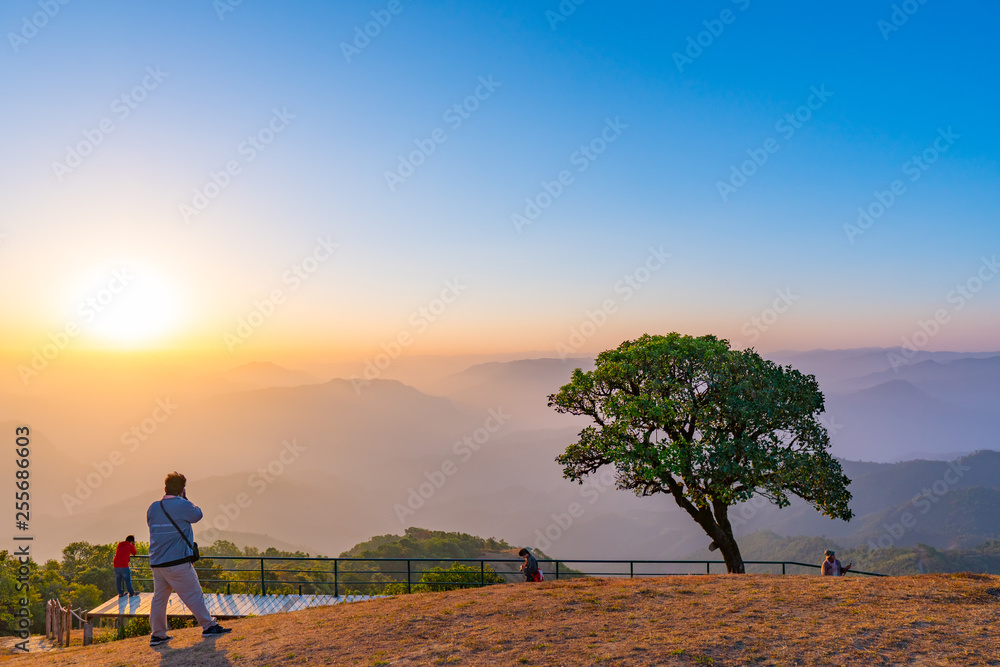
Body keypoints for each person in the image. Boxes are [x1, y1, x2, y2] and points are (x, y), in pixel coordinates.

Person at [147, 472, 231, 646]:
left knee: (159, 599)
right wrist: (185, 499)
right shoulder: (182, 505)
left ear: (165, 488)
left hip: (157, 563)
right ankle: (208, 626)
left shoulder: (153, 507)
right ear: (183, 490)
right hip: (177, 562)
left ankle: (158, 635)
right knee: (194, 594)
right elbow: (198, 515)